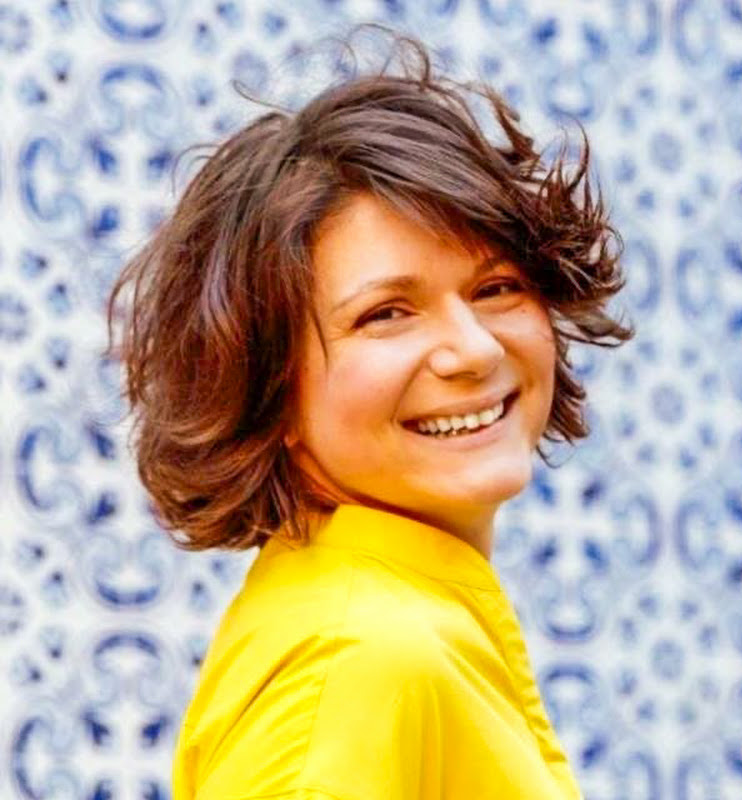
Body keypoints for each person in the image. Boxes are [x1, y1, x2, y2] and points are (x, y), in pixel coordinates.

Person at [107, 26, 633, 800]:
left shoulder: (412, 623)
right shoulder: (358, 661)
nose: (475, 349)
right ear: (268, 385)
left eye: (496, 288)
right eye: (386, 314)